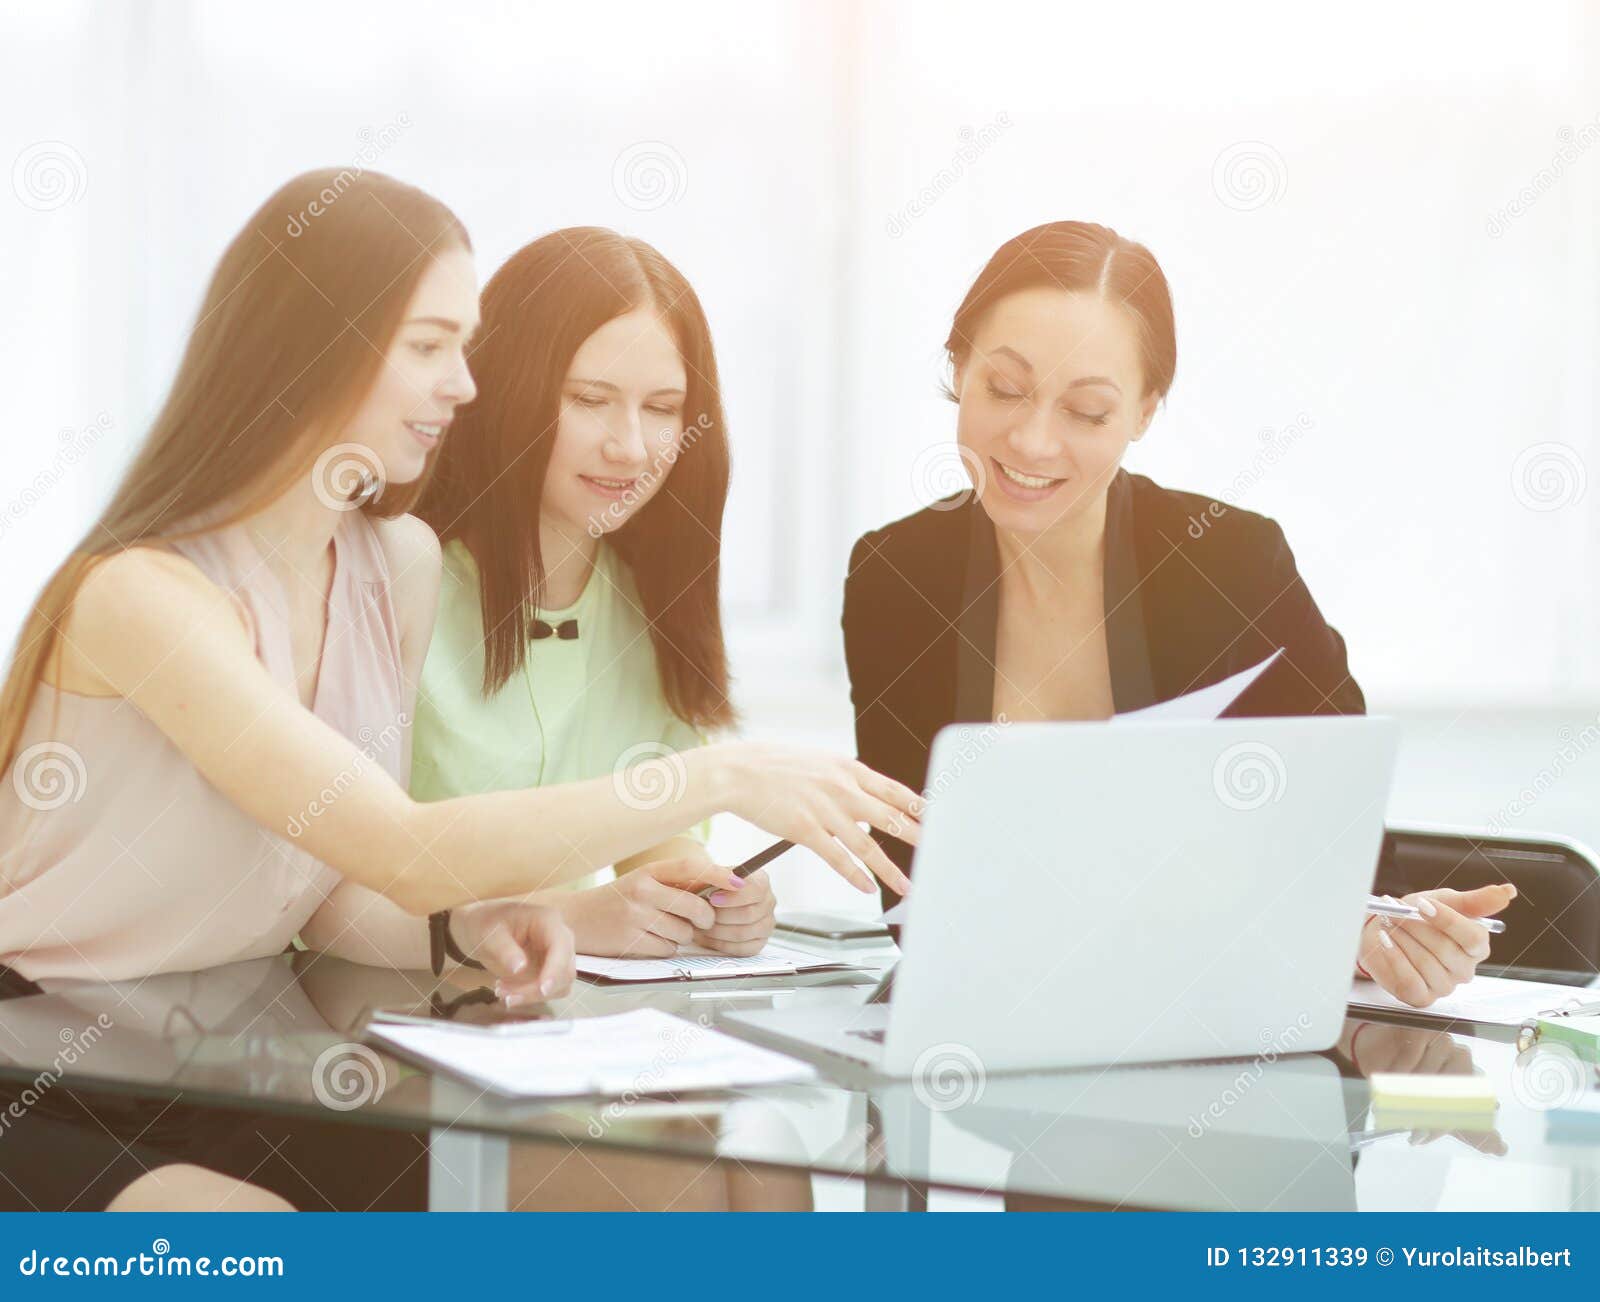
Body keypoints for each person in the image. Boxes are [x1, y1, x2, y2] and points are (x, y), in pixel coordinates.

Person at [0, 169, 916, 1209]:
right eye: (430, 346)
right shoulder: (143, 597)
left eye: (464, 349)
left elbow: (333, 901)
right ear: (313, 350)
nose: (467, 386)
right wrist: (721, 777)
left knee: (713, 1182)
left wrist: (471, 927)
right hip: (46, 1072)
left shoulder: (393, 565)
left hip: (250, 1063)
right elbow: (395, 844)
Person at [841, 220, 1510, 1010]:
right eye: (1005, 389)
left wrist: (1378, 932)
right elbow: (907, 876)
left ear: (1145, 412)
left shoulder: (1232, 563)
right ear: (959, 370)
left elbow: (1338, 834)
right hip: (986, 1026)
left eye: (1088, 411)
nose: (1032, 440)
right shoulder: (895, 575)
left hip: (1208, 1027)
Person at [411, 227, 772, 960]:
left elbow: (656, 839)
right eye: (589, 399)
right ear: (504, 389)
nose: (629, 447)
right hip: (373, 1000)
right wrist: (572, 914)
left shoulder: (647, 602)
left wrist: (706, 895)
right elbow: (353, 883)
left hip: (548, 1010)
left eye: (663, 408)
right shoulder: (402, 579)